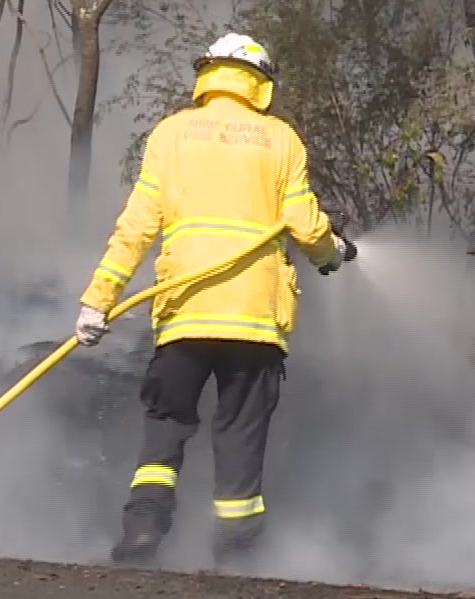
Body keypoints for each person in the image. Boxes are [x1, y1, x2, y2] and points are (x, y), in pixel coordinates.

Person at [73, 32, 355, 567]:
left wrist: (97, 301)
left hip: (184, 314)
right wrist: (331, 252)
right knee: (239, 432)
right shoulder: (280, 140)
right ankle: (237, 552)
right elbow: (302, 222)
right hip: (254, 323)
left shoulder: (171, 135)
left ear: (208, 75)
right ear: (261, 82)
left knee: (166, 423)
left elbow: (136, 227)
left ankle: (143, 531)